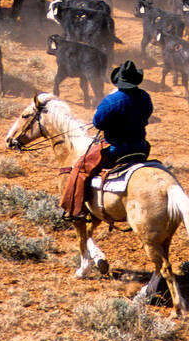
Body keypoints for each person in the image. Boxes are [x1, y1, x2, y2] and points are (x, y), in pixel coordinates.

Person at [60, 60, 153, 222]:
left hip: (115, 149)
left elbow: (98, 123)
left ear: (119, 81)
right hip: (140, 147)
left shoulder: (112, 100)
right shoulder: (145, 97)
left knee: (80, 168)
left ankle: (75, 209)